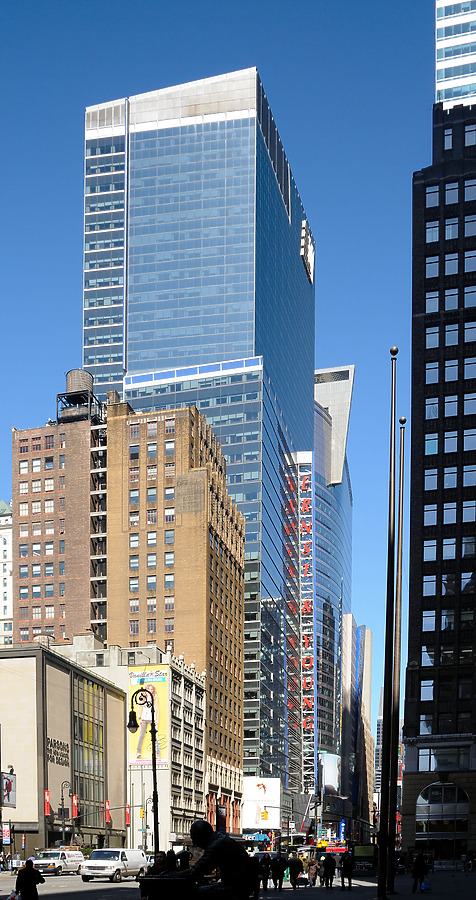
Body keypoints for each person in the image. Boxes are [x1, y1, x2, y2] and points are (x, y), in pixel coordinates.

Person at [184, 819, 256, 899]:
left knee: (196, 892)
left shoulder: (217, 845)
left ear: (202, 836)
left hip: (238, 886)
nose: (194, 843)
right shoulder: (219, 839)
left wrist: (174, 875)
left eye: (194, 838)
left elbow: (199, 869)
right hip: (240, 884)